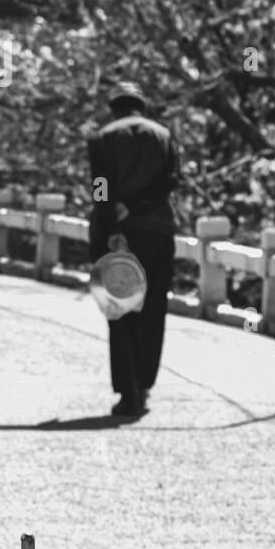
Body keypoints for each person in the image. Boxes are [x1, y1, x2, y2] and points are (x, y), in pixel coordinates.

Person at [88, 82, 180, 418]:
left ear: (114, 108)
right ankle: (144, 384)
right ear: (140, 106)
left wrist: (111, 225)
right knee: (153, 308)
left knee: (121, 309)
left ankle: (128, 391)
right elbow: (172, 180)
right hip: (157, 232)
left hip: (119, 233)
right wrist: (140, 205)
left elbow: (100, 188)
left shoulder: (102, 137)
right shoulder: (164, 135)